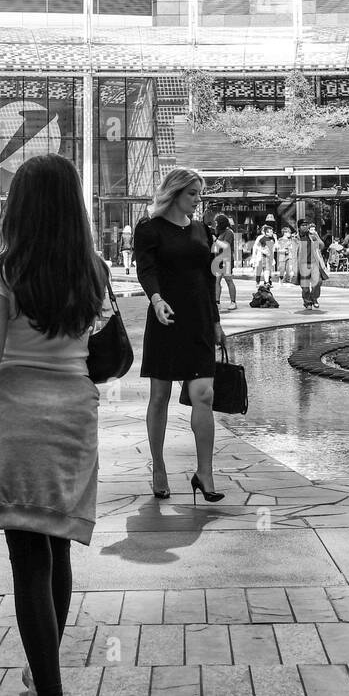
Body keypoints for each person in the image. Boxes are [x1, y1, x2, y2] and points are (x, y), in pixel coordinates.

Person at [0, 153, 110, 696]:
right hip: (75, 417)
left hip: (21, 417)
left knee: (29, 563)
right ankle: (40, 680)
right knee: (56, 547)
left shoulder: (3, 268)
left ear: (19, 205)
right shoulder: (94, 268)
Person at [134, 168, 227, 504]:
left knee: (204, 394)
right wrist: (156, 300)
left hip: (200, 319)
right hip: (166, 319)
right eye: (193, 194)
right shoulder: (150, 229)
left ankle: (205, 473)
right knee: (160, 396)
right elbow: (146, 269)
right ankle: (158, 467)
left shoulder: (204, 230)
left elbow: (209, 278)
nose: (198, 200)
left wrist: (216, 322)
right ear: (175, 193)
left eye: (200, 194)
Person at [289, 219, 328, 310]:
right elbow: (293, 254)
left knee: (318, 282)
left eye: (306, 225)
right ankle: (307, 302)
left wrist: (317, 237)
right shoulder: (295, 239)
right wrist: (292, 268)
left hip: (314, 263)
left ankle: (314, 298)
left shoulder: (312, 236)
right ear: (299, 227)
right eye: (303, 225)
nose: (305, 227)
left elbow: (322, 246)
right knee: (305, 287)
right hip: (302, 265)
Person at [212, 212, 237, 311]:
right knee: (216, 281)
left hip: (226, 260)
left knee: (228, 279)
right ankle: (217, 302)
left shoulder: (229, 232)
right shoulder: (219, 232)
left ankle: (233, 302)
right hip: (218, 260)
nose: (216, 224)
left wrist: (215, 240)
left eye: (217, 222)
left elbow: (225, 245)